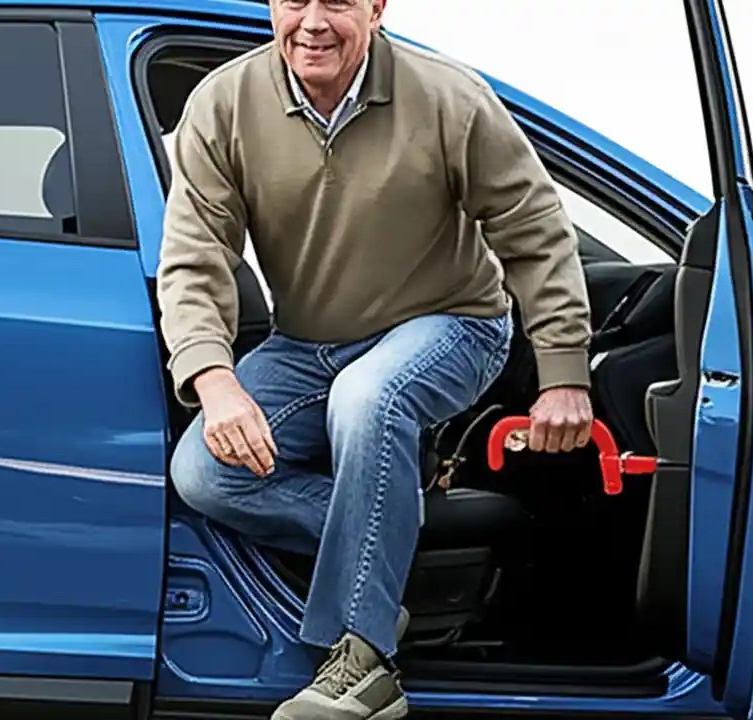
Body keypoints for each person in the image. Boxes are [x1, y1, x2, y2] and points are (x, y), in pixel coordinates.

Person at [156, 0, 594, 717]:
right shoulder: (225, 104)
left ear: (378, 7)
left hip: (455, 323)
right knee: (202, 470)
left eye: (338, 2)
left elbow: (535, 231)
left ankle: (364, 657)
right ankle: (382, 540)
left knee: (368, 396)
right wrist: (215, 379)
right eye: (295, 1)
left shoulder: (449, 97)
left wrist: (564, 372)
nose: (313, 22)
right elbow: (194, 257)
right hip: (307, 343)